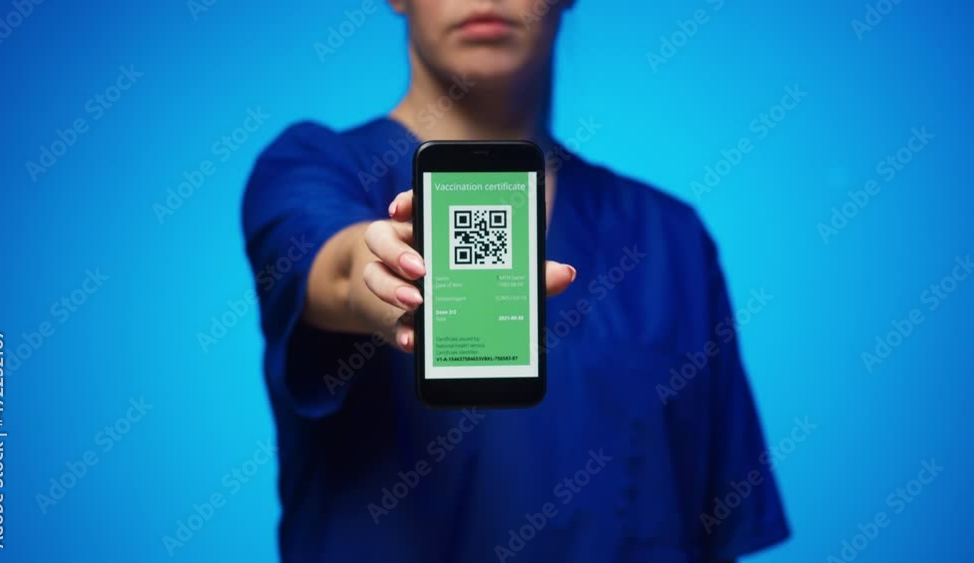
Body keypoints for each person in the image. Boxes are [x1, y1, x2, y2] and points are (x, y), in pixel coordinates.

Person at [241, 1, 789, 561]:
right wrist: (385, 274)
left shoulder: (670, 238)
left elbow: (715, 520)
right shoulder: (309, 169)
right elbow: (337, 271)